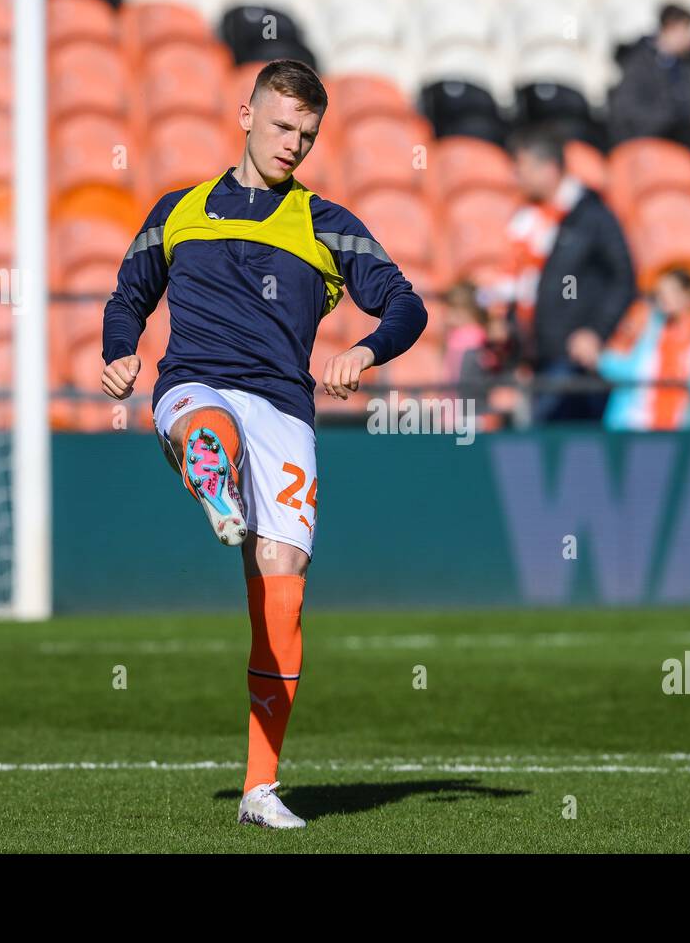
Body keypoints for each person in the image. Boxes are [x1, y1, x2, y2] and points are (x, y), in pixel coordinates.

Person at [101, 60, 427, 829]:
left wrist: (367, 351)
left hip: (283, 410)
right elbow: (128, 295)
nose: (293, 145)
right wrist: (122, 350)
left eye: (307, 135)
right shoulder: (178, 209)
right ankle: (212, 473)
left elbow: (405, 304)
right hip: (196, 385)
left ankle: (258, 789)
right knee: (204, 426)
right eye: (281, 126)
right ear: (244, 114)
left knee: (282, 596)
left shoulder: (326, 221)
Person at [491, 125, 636, 423]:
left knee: (556, 439)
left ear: (550, 168)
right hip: (536, 355)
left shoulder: (591, 215)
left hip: (574, 361)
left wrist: (596, 331)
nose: (516, 177)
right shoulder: (527, 219)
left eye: (523, 168)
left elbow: (623, 277)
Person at [597, 268, 690, 430]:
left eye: (671, 291)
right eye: (660, 293)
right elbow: (633, 370)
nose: (663, 298)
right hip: (638, 426)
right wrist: (600, 360)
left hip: (683, 432)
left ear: (689, 295)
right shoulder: (651, 329)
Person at [606, 3, 690, 150]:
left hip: (679, 143)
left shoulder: (688, 66)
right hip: (645, 144)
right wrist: (672, 119)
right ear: (671, 27)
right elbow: (627, 112)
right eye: (687, 30)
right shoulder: (638, 63)